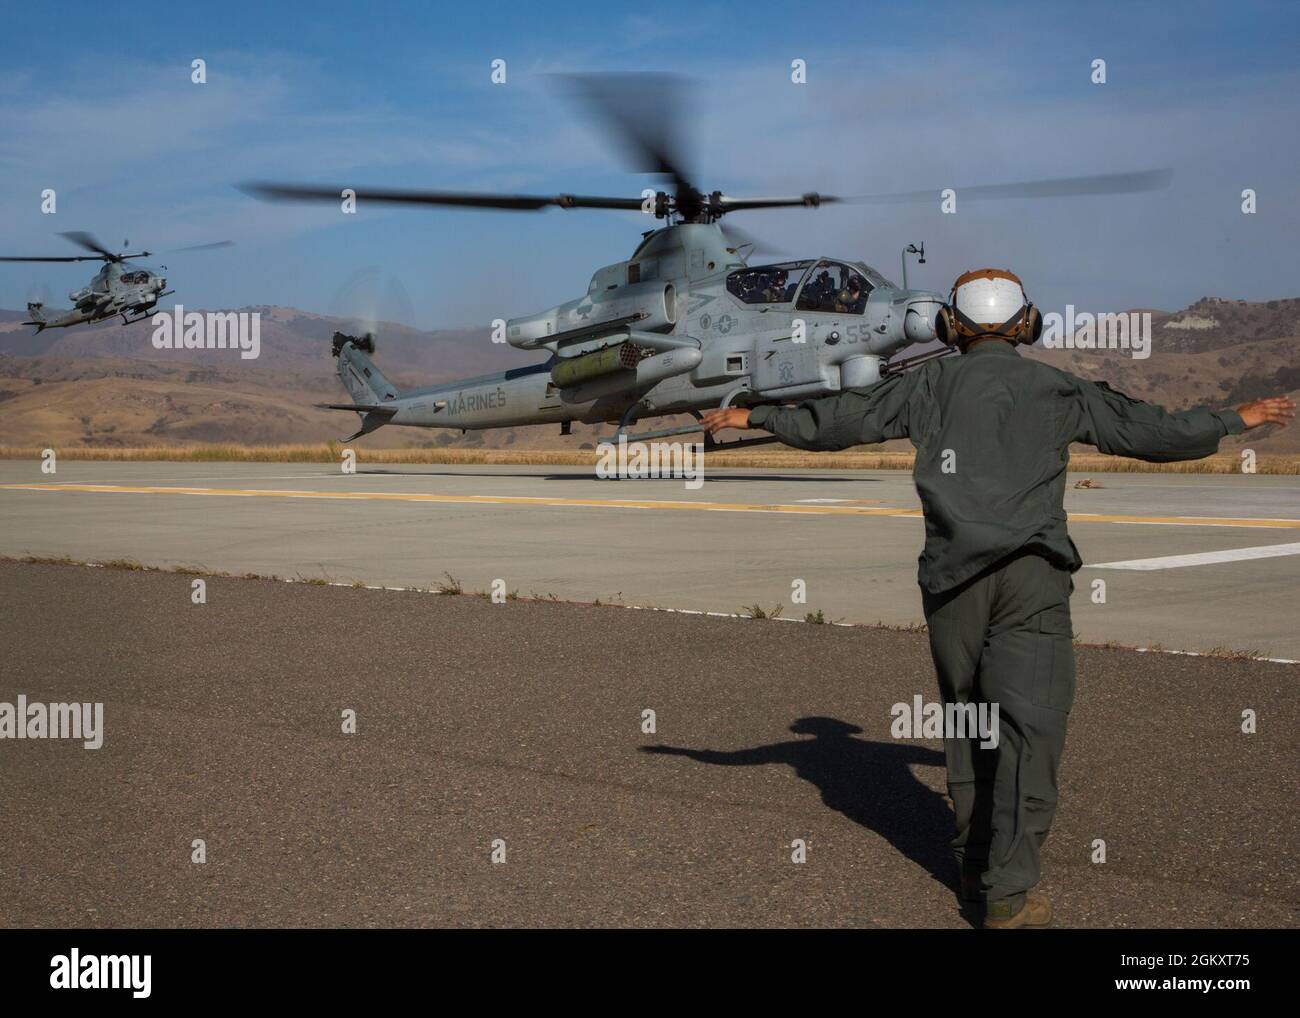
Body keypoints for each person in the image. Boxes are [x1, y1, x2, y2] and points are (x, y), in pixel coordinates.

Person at [701, 268, 1294, 928]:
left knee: (967, 722)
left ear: (952, 328)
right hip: (1030, 584)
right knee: (1028, 728)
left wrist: (759, 415)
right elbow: (1150, 433)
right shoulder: (1059, 388)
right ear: (1026, 326)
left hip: (951, 586)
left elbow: (843, 420)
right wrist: (1231, 418)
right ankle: (1005, 892)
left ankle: (975, 857)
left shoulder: (922, 385)